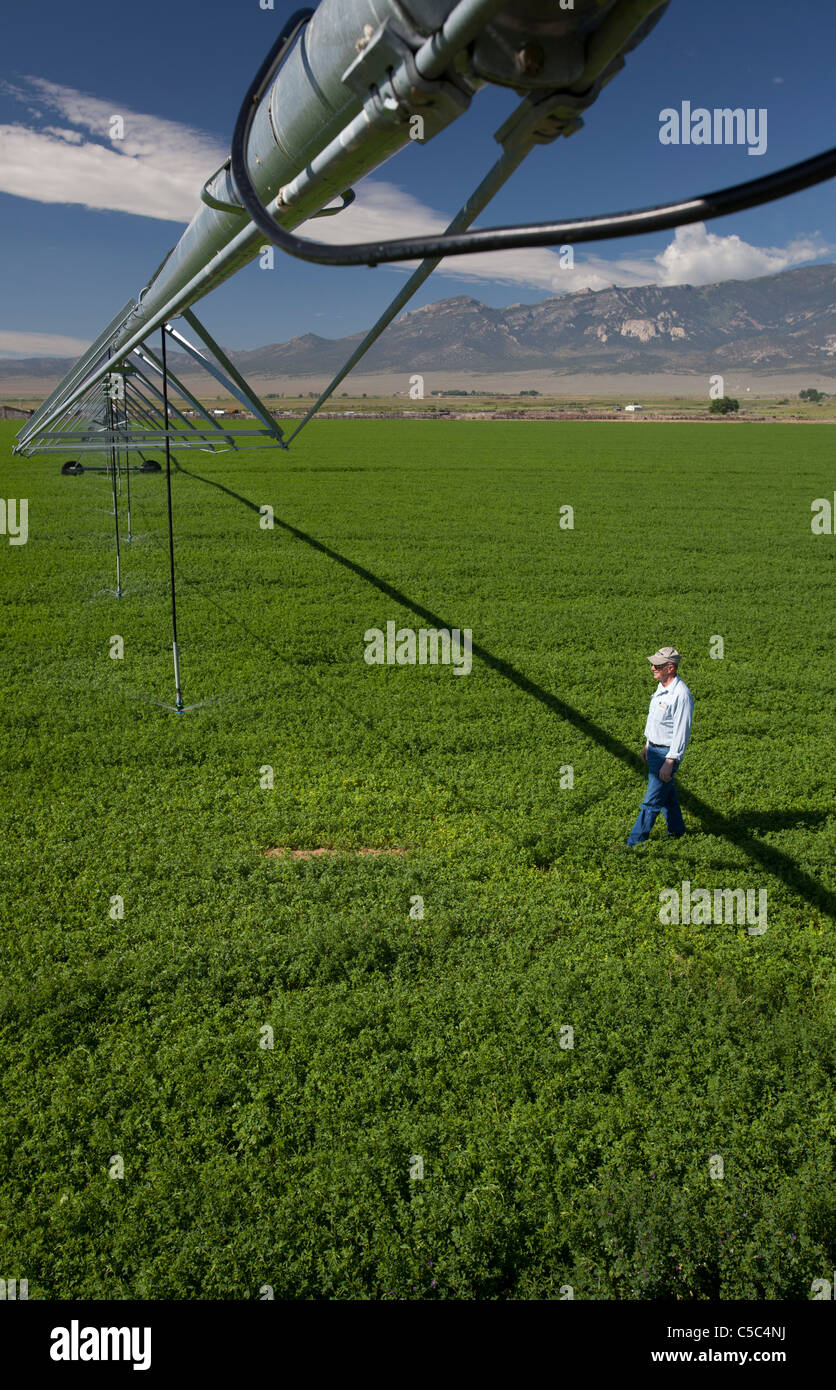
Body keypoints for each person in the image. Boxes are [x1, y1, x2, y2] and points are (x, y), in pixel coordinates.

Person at [627, 646, 693, 846]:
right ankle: (677, 833)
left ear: (670, 668)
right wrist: (648, 745)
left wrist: (670, 761)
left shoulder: (681, 695)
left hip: (666, 755)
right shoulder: (662, 687)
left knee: (651, 802)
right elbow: (655, 721)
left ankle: (634, 844)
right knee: (668, 797)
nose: (652, 668)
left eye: (657, 665)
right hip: (655, 750)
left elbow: (682, 731)